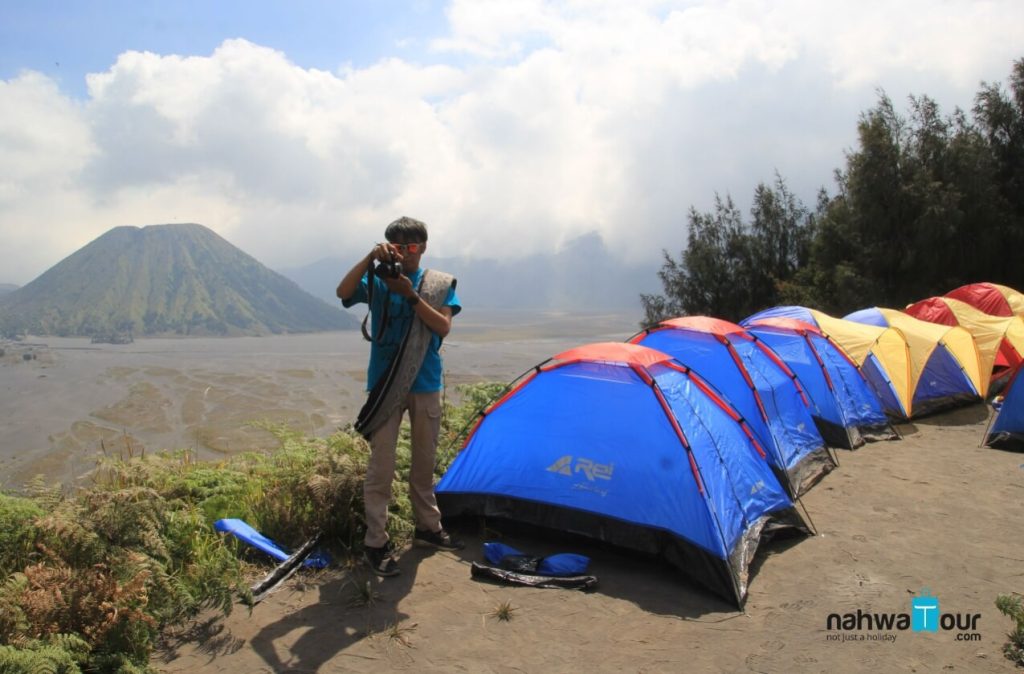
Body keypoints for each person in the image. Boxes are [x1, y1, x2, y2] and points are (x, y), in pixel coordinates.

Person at [336, 216, 464, 576]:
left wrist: (409, 295)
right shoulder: (376, 280)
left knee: (423, 464)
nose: (405, 254)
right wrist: (368, 259)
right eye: (397, 247)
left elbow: (442, 327)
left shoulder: (439, 285)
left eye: (411, 247)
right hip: (385, 384)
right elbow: (343, 293)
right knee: (382, 467)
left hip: (424, 384)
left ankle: (428, 528)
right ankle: (375, 543)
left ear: (423, 247)